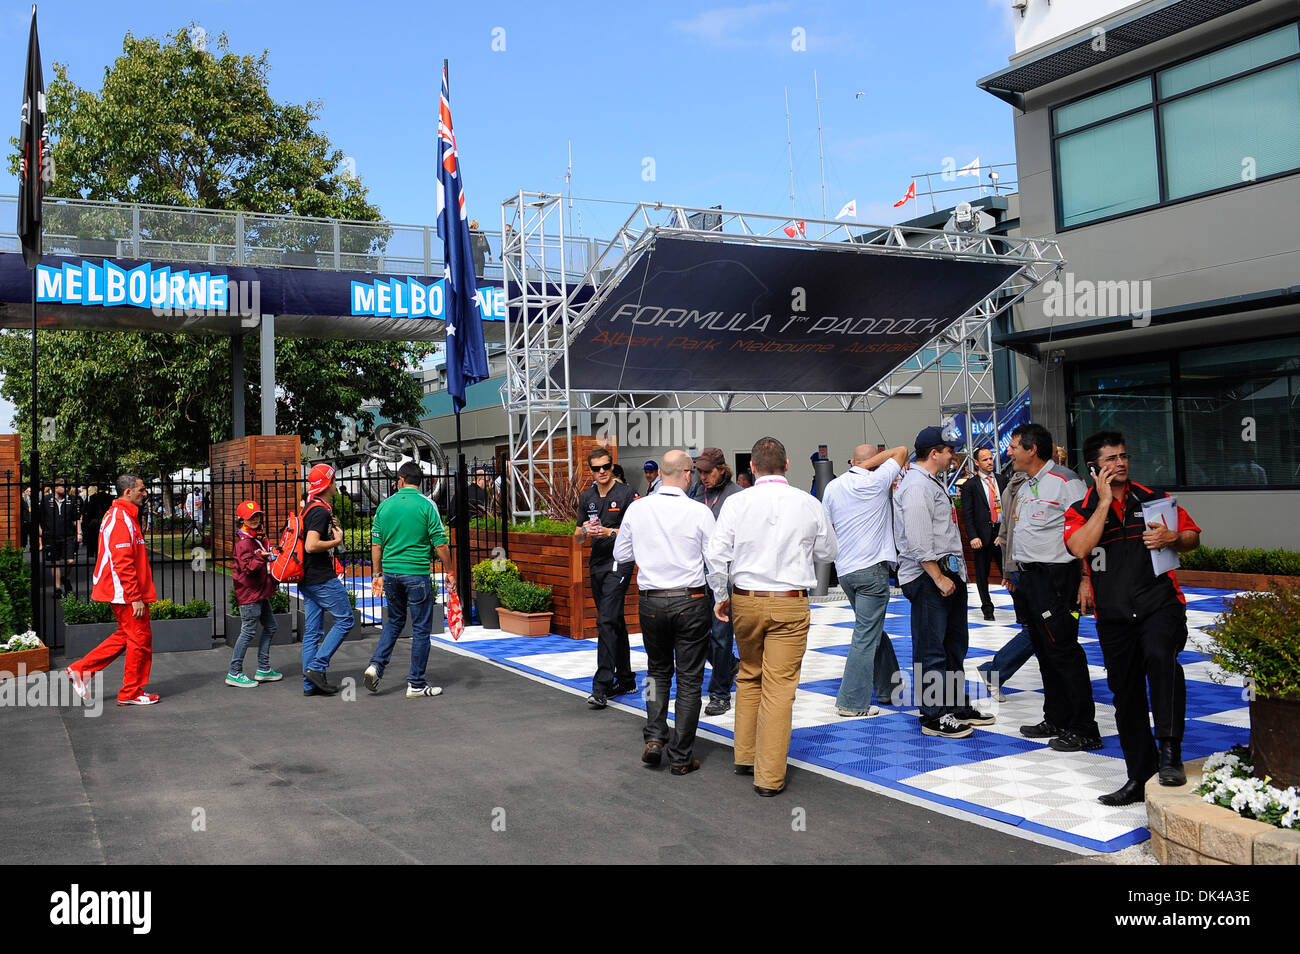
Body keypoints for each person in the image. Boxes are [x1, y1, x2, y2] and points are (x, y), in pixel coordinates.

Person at [1066, 430, 1202, 806]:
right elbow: (1079, 546)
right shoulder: (1082, 510)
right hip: (1114, 617)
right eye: (1110, 459)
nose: (1120, 463)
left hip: (1161, 604)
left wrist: (1173, 537)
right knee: (1126, 694)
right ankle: (1139, 776)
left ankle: (1170, 754)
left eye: (1122, 456)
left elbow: (1194, 537)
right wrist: (1105, 503)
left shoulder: (1155, 499)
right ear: (1094, 468)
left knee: (1162, 659)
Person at [705, 436, 836, 796]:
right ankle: (769, 777)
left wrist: (720, 595)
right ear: (787, 465)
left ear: (752, 467)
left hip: (745, 598)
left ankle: (745, 757)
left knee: (749, 675)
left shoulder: (736, 503)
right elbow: (828, 551)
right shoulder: (808, 503)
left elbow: (716, 555)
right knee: (779, 689)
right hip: (790, 600)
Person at [613, 450, 716, 774]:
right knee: (689, 679)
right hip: (690, 599)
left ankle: (655, 737)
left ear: (660, 473)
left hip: (652, 599)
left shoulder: (638, 508)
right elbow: (714, 563)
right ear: (687, 474)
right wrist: (724, 598)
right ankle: (682, 756)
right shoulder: (699, 512)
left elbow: (622, 553)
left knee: (656, 671)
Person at [893, 426, 993, 739]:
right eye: (949, 450)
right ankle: (933, 716)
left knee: (953, 646)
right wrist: (937, 576)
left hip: (945, 574)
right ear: (934, 452)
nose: (954, 456)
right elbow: (919, 538)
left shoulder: (929, 483)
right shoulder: (916, 488)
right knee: (931, 649)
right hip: (929, 577)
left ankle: (956, 705)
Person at [1006, 423, 1099, 752]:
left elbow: (1087, 531)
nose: (1009, 451)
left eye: (1014, 445)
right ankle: (1057, 717)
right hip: (1031, 578)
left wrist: (1086, 578)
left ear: (1032, 449)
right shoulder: (1027, 483)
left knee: (1064, 651)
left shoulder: (1065, 481)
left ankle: (1085, 727)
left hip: (1059, 578)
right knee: (1045, 651)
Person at [823, 444, 908, 718]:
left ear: (851, 461)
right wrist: (872, 464)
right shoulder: (878, 479)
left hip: (846, 570)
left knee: (871, 630)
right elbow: (903, 450)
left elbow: (828, 527)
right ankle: (852, 702)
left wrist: (862, 464)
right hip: (872, 570)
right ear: (874, 463)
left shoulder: (833, 487)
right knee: (865, 635)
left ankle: (889, 688)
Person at [65, 475, 160, 706]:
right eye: (141, 489)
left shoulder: (123, 515)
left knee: (127, 636)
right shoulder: (121, 518)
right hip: (125, 592)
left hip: (123, 591)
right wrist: (135, 596)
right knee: (139, 640)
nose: (145, 493)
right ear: (127, 492)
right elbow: (122, 561)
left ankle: (82, 670)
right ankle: (130, 692)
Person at [364, 462, 456, 698]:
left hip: (392, 575)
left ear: (401, 480)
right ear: (420, 482)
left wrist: (377, 575)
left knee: (394, 622)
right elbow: (441, 544)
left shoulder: (384, 506)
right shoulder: (428, 505)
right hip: (416, 574)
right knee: (421, 629)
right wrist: (450, 571)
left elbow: (376, 544)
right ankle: (415, 683)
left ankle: (376, 665)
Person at [575, 447, 639, 708]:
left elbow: (635, 530)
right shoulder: (587, 496)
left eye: (606, 467)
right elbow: (577, 535)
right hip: (597, 563)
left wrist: (609, 532)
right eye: (596, 468)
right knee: (613, 621)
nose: (602, 472)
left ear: (613, 467)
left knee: (605, 621)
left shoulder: (626, 493)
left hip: (619, 563)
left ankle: (601, 686)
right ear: (590, 470)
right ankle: (625, 678)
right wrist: (586, 533)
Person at [689, 447, 743, 715]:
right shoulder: (696, 492)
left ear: (722, 468)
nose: (703, 476)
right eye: (699, 471)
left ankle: (720, 694)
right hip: (698, 574)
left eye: (708, 471)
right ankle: (729, 665)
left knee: (722, 636)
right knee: (695, 633)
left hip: (725, 575)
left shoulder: (737, 496)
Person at [976, 467, 1036, 702]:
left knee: (1042, 629)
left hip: (1026, 566)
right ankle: (996, 670)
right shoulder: (1018, 486)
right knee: (1041, 628)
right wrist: (1010, 568)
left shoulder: (1012, 484)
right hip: (1031, 568)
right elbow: (1008, 528)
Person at [299, 464, 352, 697]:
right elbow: (311, 545)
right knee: (346, 620)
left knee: (312, 632)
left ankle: (310, 684)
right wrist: (335, 540)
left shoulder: (310, 506)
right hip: (321, 577)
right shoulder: (319, 511)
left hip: (307, 577)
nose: (336, 483)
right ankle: (317, 668)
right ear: (328, 483)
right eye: (334, 479)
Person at [226, 500, 284, 687]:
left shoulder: (256, 537)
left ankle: (264, 669)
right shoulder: (244, 542)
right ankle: (234, 672)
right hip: (250, 593)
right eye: (250, 517)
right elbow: (248, 568)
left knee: (271, 626)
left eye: (257, 515)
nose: (254, 519)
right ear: (241, 519)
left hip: (258, 591)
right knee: (248, 631)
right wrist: (261, 556)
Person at [960, 447, 1008, 621]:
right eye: (985, 459)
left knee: (1008, 571)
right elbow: (968, 513)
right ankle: (987, 608)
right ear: (977, 463)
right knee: (982, 573)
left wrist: (1005, 532)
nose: (989, 462)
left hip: (1001, 532)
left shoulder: (1002, 480)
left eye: (991, 458)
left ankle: (1022, 610)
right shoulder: (970, 486)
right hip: (982, 535)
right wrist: (972, 536)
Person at [39, 478, 82, 595]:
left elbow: (76, 518)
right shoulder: (46, 500)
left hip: (68, 535)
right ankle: (57, 588)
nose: (65, 488)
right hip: (51, 535)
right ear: (55, 488)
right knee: (55, 561)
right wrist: (40, 529)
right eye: (62, 486)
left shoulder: (71, 500)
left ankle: (65, 578)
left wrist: (79, 532)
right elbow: (39, 516)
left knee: (70, 561)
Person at [83, 483, 114, 568]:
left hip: (95, 522)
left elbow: (89, 512)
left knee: (97, 543)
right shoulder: (110, 498)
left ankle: (98, 560)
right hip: (107, 522)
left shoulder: (93, 498)